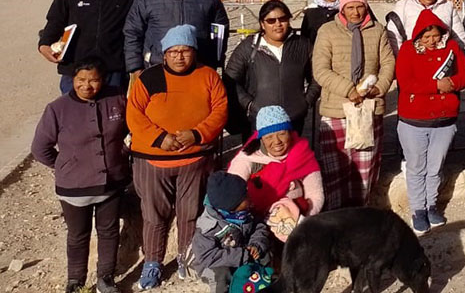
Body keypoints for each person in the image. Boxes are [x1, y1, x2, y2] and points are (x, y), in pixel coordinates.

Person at [126, 24, 228, 290]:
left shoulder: (208, 76)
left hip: (194, 159)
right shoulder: (149, 78)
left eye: (185, 51)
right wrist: (161, 138)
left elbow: (220, 110)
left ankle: (187, 256)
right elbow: (134, 115)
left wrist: (197, 133)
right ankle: (152, 262)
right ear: (164, 53)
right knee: (154, 214)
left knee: (190, 212)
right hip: (153, 158)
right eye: (173, 51)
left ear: (193, 52)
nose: (180, 57)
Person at [31, 58, 128, 293]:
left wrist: (120, 155)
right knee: (77, 235)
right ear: (72, 80)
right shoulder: (57, 109)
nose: (87, 86)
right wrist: (65, 166)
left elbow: (130, 129)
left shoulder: (116, 100)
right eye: (80, 80)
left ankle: (106, 277)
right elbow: (40, 148)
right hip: (73, 188)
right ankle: (75, 281)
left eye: (93, 80)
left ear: (103, 80)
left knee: (108, 231)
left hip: (110, 183)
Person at [312, 0, 395, 209]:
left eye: (360, 6)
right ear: (342, 7)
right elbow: (320, 70)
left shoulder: (377, 31)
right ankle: (336, 220)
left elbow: (388, 62)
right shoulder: (327, 32)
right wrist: (348, 90)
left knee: (365, 172)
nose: (356, 12)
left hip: (368, 109)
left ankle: (361, 218)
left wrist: (380, 87)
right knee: (335, 170)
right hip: (337, 110)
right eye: (350, 7)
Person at [396, 10, 465, 234]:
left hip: (444, 119)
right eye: (426, 37)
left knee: (435, 167)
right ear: (418, 35)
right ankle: (418, 209)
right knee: (416, 166)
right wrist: (435, 86)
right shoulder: (408, 51)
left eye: (435, 36)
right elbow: (406, 81)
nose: (431, 41)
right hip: (414, 119)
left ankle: (432, 205)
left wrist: (452, 82)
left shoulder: (451, 49)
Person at [123, 0, 229, 75]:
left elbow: (221, 32)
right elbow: (132, 33)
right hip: (156, 68)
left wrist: (214, 61)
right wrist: (135, 67)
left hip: (198, 69)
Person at [223, 0, 317, 135]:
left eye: (282, 19)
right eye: (271, 21)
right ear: (262, 24)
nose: (278, 24)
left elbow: (317, 76)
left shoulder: (303, 45)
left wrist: (306, 102)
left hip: (293, 120)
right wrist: (249, 104)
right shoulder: (248, 46)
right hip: (258, 120)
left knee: (292, 155)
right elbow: (230, 80)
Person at [226, 105, 323, 222]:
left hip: (296, 221)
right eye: (269, 137)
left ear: (290, 133)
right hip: (256, 223)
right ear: (261, 139)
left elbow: (315, 195)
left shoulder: (303, 155)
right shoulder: (248, 159)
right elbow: (232, 193)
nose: (277, 141)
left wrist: (301, 220)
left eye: (282, 134)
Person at [189, 172, 271, 293]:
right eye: (245, 197)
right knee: (221, 275)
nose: (249, 198)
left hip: (244, 253)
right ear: (232, 204)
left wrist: (256, 245)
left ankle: (264, 284)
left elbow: (259, 227)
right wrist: (241, 255)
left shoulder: (245, 213)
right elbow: (206, 256)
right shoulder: (207, 228)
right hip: (215, 263)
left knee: (265, 254)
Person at [387, 0, 465, 52]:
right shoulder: (403, 6)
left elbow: (459, 36)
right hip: (413, 58)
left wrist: (456, 58)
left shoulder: (447, 6)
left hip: (441, 59)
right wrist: (403, 58)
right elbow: (394, 37)